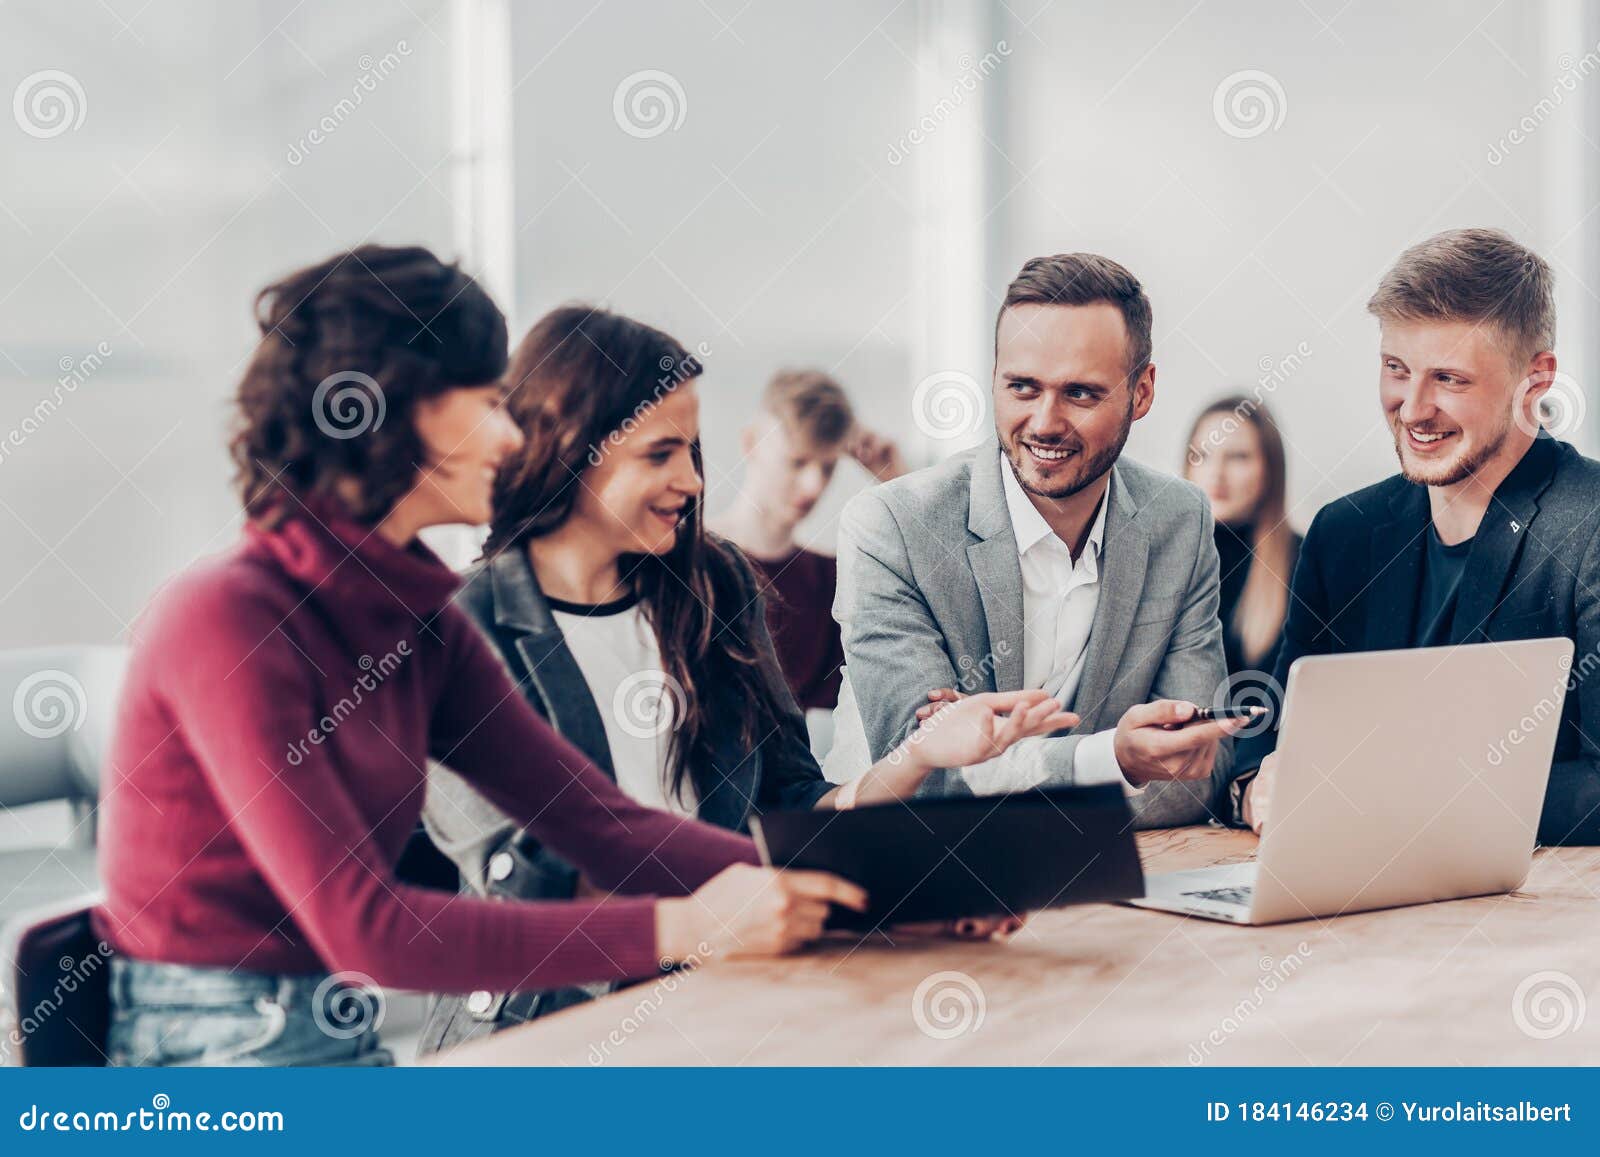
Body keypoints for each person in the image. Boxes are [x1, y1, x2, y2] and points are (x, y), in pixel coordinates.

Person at [90, 248, 1029, 1068]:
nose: (511, 433)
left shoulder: (410, 617)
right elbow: (363, 925)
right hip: (213, 1054)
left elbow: (604, 823)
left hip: (334, 1037)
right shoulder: (227, 618)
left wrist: (880, 897)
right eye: (484, 404)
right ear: (388, 415)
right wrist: (690, 926)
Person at [418, 306, 1073, 1054]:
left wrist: (916, 766)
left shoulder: (715, 587)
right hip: (544, 1031)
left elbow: (790, 809)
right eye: (660, 453)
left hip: (724, 1002)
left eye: (691, 450)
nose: (691, 480)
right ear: (572, 448)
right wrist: (824, 908)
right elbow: (532, 887)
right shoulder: (460, 631)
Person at [826, 252, 1252, 825]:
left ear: (1142, 392)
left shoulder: (1179, 519)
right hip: (903, 880)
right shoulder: (893, 527)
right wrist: (1111, 759)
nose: (1046, 423)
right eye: (1022, 387)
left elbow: (1197, 770)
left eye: (1080, 393)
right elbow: (919, 780)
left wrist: (998, 772)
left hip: (1102, 879)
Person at [1221, 227, 1600, 845]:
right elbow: (1278, 726)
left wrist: (1398, 800)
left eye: (1450, 379)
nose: (1413, 409)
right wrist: (1254, 784)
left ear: (1536, 380)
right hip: (1344, 897)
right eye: (1397, 369)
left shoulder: (1589, 527)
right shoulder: (1345, 533)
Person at [713, 369, 907, 712]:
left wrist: (899, 488)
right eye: (797, 462)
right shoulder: (688, 557)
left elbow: (924, 632)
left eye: (828, 467)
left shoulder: (828, 581)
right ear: (750, 443)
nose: (813, 486)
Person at [1182, 396, 1301, 678]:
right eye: (1202, 455)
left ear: (1270, 468)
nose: (1216, 473)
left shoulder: (1305, 560)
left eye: (1238, 457)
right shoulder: (1161, 557)